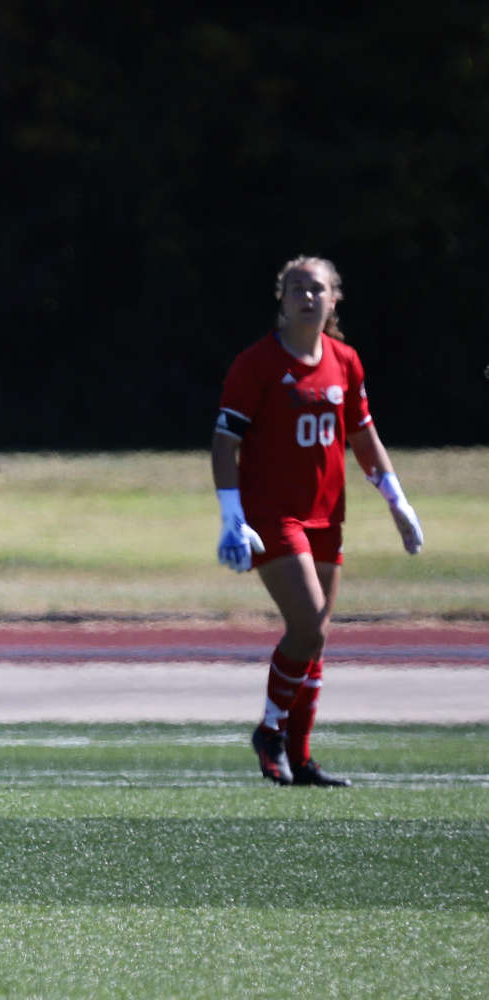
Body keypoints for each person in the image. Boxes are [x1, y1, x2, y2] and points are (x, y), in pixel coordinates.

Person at [211, 254, 423, 787]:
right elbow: (224, 443)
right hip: (274, 516)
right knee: (306, 622)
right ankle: (270, 731)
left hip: (328, 515)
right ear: (280, 300)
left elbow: (362, 436)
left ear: (335, 299)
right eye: (297, 289)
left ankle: (300, 758)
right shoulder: (255, 365)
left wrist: (397, 500)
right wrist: (232, 518)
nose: (308, 298)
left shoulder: (346, 362)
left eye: (318, 289)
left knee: (317, 636)